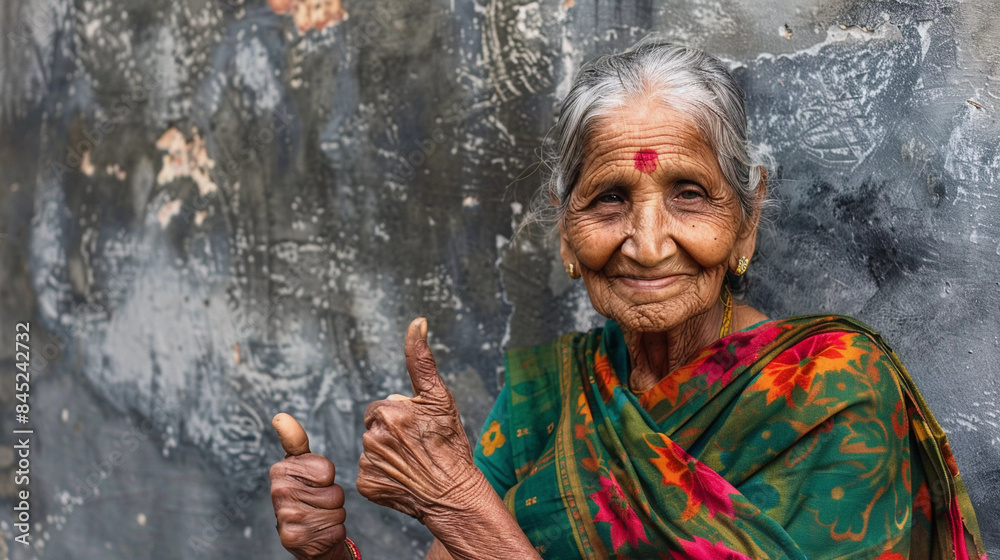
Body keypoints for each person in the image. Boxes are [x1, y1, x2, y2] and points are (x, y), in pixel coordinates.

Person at [268, 40, 987, 560]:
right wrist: (332, 555)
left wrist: (459, 507)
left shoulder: (835, 390)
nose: (647, 244)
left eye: (689, 195)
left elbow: (474, 529)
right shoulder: (546, 400)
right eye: (610, 199)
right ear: (565, 230)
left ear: (748, 218)